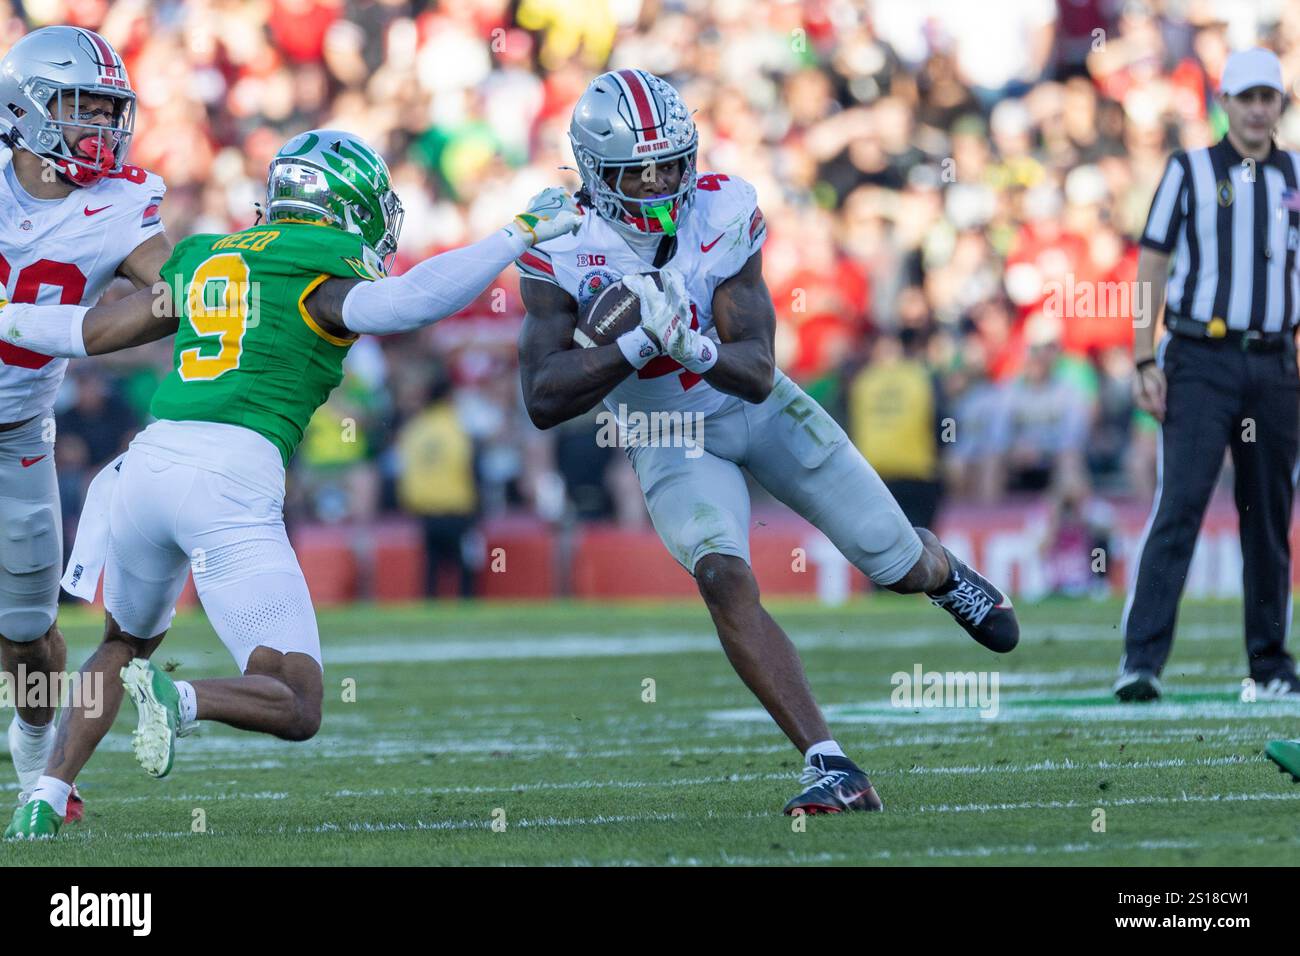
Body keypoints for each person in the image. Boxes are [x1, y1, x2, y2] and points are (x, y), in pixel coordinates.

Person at [1, 127, 580, 840]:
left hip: (145, 466)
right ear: (342, 204)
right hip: (230, 478)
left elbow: (90, 331)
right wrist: (515, 234)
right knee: (298, 701)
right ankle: (180, 699)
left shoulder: (208, 253)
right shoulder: (320, 262)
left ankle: (44, 796)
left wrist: (10, 316)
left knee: (120, 640)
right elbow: (410, 303)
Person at [517, 69, 1019, 816]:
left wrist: (689, 345)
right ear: (595, 172)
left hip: (751, 405)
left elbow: (756, 371)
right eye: (638, 170)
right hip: (667, 429)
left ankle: (938, 569)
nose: (659, 182)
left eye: (669, 162)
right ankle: (832, 763)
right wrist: (627, 351)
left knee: (892, 560)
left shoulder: (724, 208)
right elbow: (542, 399)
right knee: (721, 573)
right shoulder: (559, 240)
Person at [0, 26, 172, 822]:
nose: (101, 127)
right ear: (27, 111)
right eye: (82, 108)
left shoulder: (120, 203)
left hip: (18, 432)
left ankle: (34, 742)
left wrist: (99, 330)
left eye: (110, 110)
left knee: (29, 637)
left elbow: (171, 297)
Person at [1118, 47, 1300, 702]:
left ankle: (1271, 664)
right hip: (1201, 358)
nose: (1257, 109)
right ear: (1225, 102)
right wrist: (1143, 356)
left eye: (1267, 97)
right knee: (1183, 503)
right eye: (1246, 97)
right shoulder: (1190, 170)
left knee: (1269, 516)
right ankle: (1141, 660)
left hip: (1275, 362)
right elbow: (1152, 266)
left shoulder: (1295, 175)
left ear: (1279, 104)